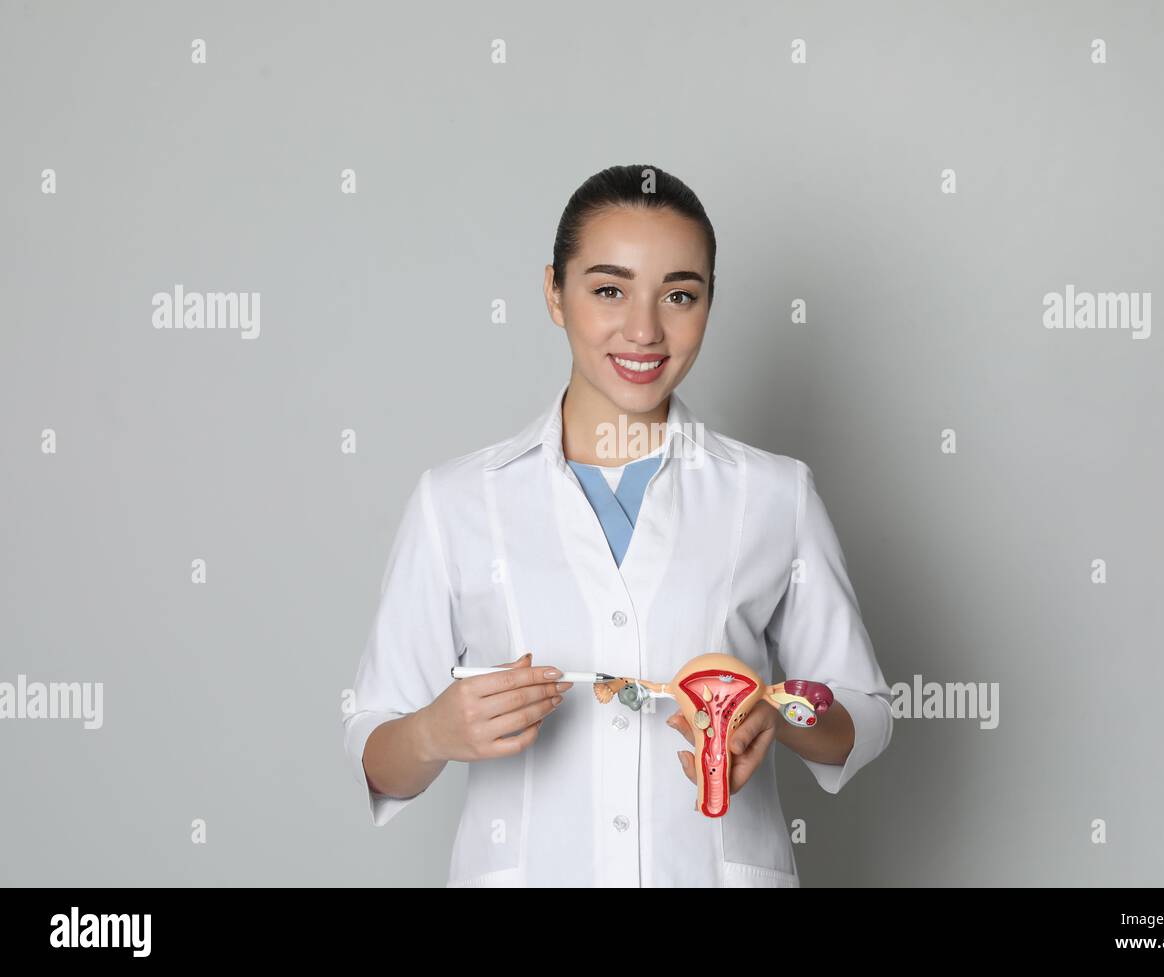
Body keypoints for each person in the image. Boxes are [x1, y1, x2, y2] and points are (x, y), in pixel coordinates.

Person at [342, 163, 893, 887]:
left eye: (680, 295)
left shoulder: (774, 495)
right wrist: (431, 732)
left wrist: (776, 715)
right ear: (554, 292)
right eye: (609, 289)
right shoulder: (457, 502)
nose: (644, 329)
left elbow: (863, 711)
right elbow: (377, 748)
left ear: (709, 302)